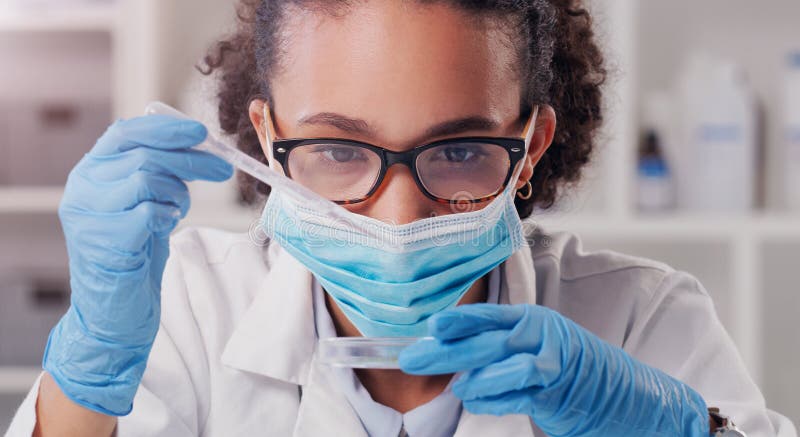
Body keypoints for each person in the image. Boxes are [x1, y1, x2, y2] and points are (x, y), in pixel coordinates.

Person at [5, 0, 797, 436]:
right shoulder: (186, 310)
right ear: (271, 137)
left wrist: (685, 434)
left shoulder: (639, 319)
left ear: (530, 145)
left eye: (457, 152)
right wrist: (90, 373)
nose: (398, 216)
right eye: (340, 150)